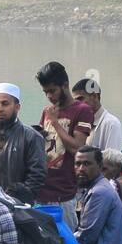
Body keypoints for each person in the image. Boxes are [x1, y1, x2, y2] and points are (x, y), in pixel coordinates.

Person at [36, 61, 94, 230]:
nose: (49, 96)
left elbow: (77, 148)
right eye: (45, 92)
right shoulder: (48, 110)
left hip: (63, 194)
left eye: (52, 91)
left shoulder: (82, 110)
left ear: (65, 85)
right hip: (41, 190)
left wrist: (55, 123)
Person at [0, 82, 46, 203]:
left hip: (17, 208)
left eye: (5, 104)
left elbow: (37, 177)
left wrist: (16, 200)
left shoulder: (31, 137)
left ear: (17, 107)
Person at [72, 77, 122, 152]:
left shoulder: (111, 124)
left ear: (94, 97)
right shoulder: (78, 124)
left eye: (80, 99)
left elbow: (113, 160)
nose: (77, 105)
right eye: (75, 101)